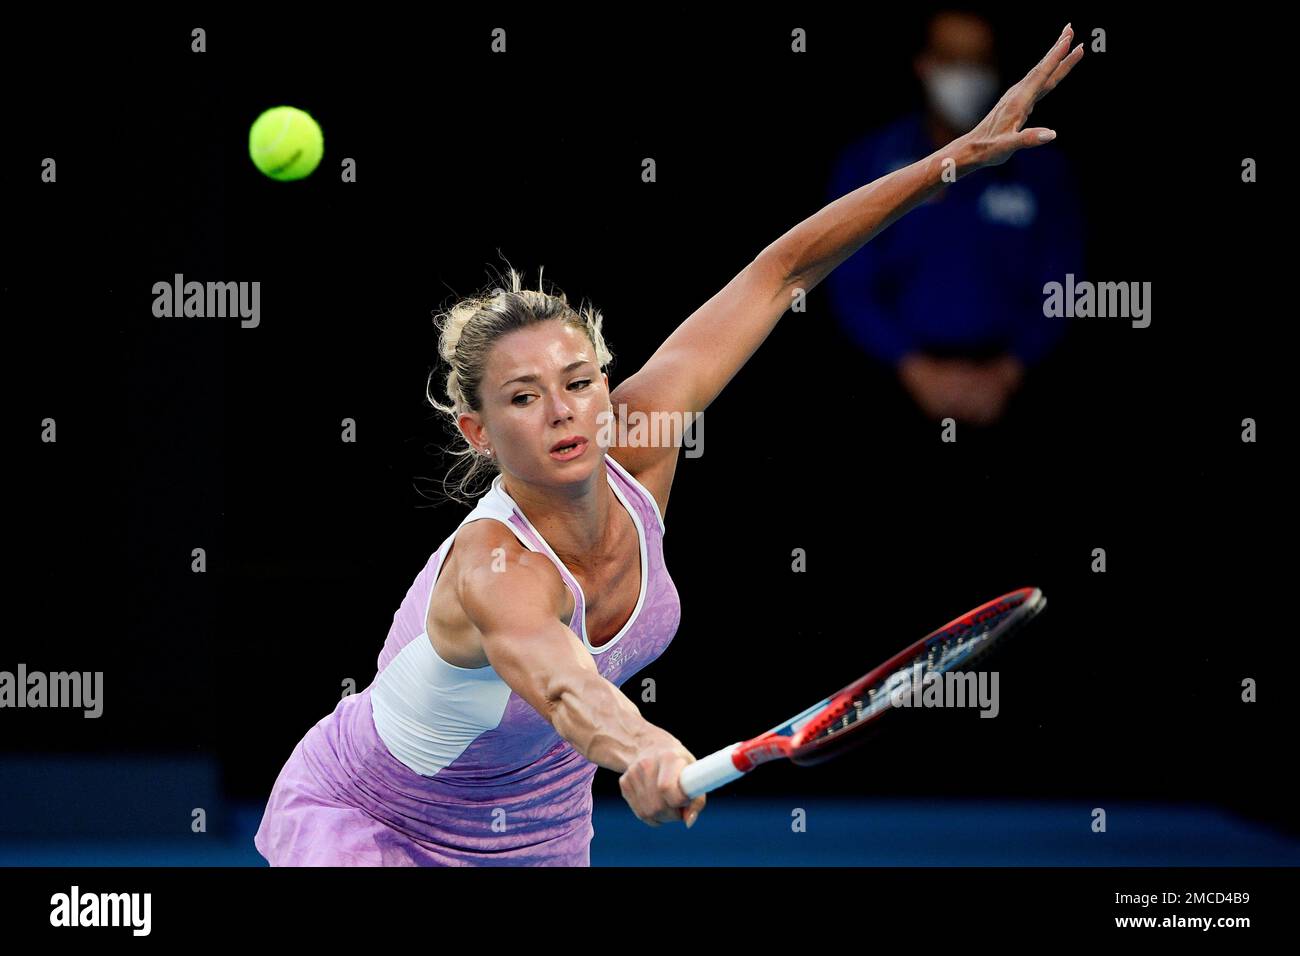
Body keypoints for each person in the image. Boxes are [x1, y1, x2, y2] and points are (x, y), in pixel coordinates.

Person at [254, 24, 1084, 865]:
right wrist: (642, 747)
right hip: (369, 820)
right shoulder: (494, 568)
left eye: (580, 382)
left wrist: (950, 162)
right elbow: (566, 685)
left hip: (536, 829)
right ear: (479, 430)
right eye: (522, 397)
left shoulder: (641, 436)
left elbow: (782, 272)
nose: (565, 412)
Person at [825, 10, 1085, 426]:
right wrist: (913, 368)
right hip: (893, 385)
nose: (965, 77)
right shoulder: (870, 163)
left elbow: (1066, 283)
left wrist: (1009, 371)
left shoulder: (1043, 167)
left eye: (977, 62)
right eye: (952, 61)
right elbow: (845, 279)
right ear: (923, 64)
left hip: (1013, 388)